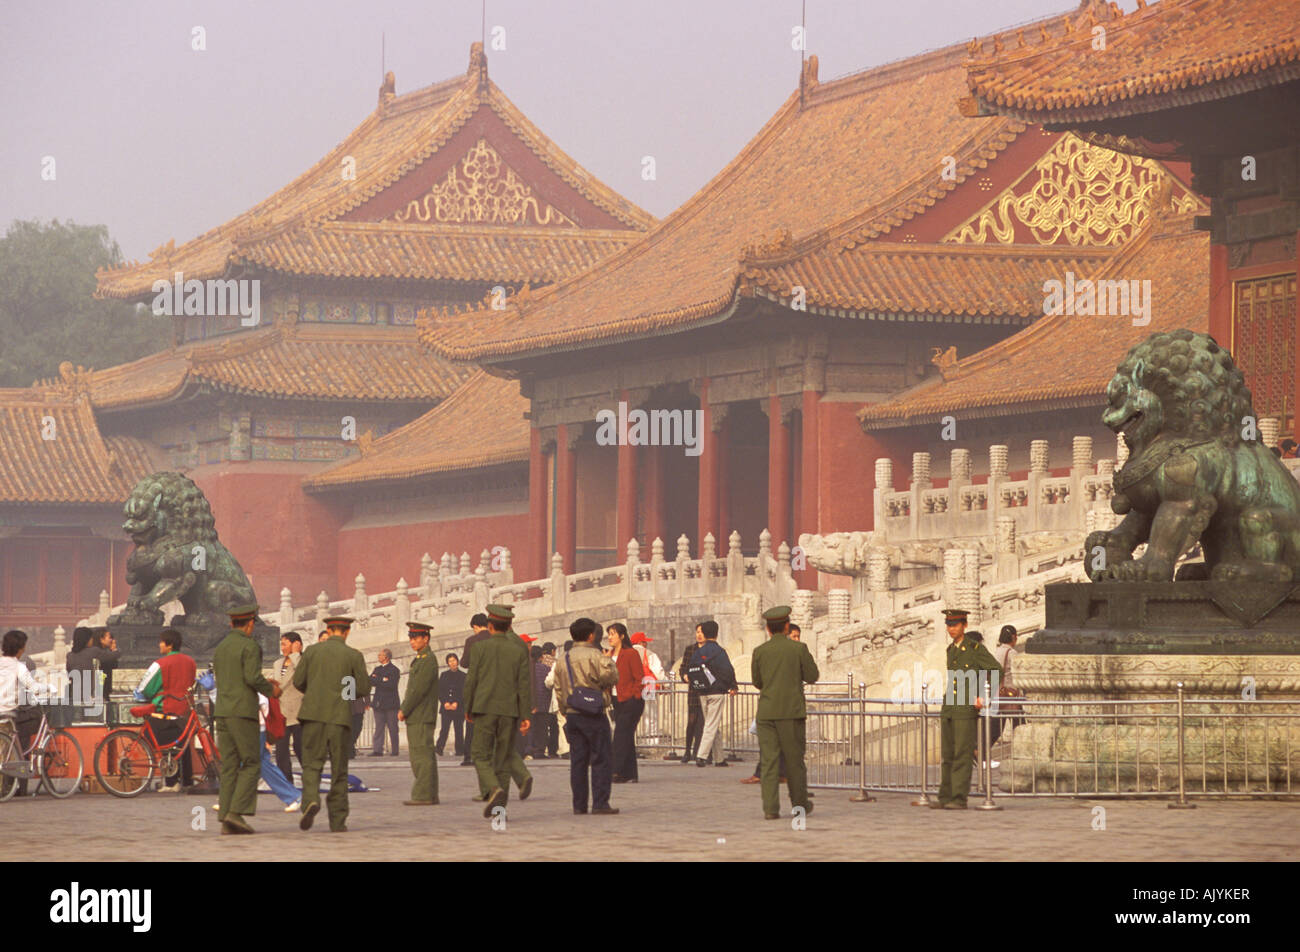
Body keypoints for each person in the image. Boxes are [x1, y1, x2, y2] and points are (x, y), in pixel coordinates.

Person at [294, 615, 371, 832]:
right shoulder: (352, 655)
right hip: (339, 718)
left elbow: (299, 681)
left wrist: (317, 693)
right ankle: (337, 821)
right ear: (346, 632)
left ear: (328, 630)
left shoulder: (312, 652)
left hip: (312, 716)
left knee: (311, 764)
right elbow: (363, 688)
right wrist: (344, 692)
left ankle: (310, 799)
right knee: (339, 769)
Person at [212, 604, 281, 834]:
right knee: (252, 762)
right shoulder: (249, 646)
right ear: (250, 623)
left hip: (222, 711)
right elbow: (252, 677)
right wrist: (271, 690)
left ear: (232, 623)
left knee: (229, 766)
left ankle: (225, 818)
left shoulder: (221, 647)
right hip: (242, 712)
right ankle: (236, 812)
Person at [751, 606, 820, 819]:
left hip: (766, 713)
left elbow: (757, 682)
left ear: (768, 629)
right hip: (791, 712)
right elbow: (812, 675)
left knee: (769, 762)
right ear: (787, 626)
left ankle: (770, 809)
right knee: (794, 762)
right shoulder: (799, 649)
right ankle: (799, 804)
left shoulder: (760, 651)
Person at [463, 604, 531, 819]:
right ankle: (500, 812)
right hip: (509, 711)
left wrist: (468, 707)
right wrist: (525, 715)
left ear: (489, 626)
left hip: (484, 709)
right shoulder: (518, 649)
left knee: (480, 755)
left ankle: (494, 789)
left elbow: (471, 681)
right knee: (502, 758)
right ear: (509, 625)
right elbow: (524, 684)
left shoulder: (479, 648)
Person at [930, 608, 1002, 810]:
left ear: (964, 625)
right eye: (949, 625)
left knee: (962, 754)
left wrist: (983, 696)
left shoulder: (974, 649)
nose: (951, 629)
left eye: (955, 625)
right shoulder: (951, 649)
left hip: (966, 707)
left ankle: (959, 798)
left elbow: (996, 670)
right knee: (948, 754)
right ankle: (945, 796)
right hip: (950, 707)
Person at [552, 617, 620, 815]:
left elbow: (558, 687)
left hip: (572, 713)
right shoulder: (596, 655)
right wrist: (608, 660)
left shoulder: (563, 658)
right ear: (591, 635)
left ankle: (579, 805)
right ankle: (600, 802)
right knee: (601, 757)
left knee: (578, 760)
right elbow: (611, 676)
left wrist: (565, 709)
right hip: (593, 712)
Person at [133, 628, 197, 790]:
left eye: (161, 642)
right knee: (183, 744)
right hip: (185, 708)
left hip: (166, 708)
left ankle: (171, 782)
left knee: (165, 745)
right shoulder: (190, 662)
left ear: (169, 645)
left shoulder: (160, 664)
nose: (159, 645)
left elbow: (146, 688)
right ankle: (187, 780)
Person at [743, 621, 802, 785]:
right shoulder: (774, 653)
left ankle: (773, 773)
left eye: (798, 637)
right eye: (793, 636)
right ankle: (767, 773)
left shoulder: (797, 654)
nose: (796, 640)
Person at [398, 621, 439, 806]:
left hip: (420, 714)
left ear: (426, 638)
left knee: (421, 756)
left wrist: (404, 709)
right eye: (411, 638)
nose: (412, 641)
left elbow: (418, 690)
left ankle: (423, 794)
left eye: (416, 638)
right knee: (425, 754)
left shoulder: (427, 660)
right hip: (419, 714)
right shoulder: (422, 659)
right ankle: (430, 793)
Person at [691, 620, 736, 767]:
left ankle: (719, 758)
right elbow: (728, 670)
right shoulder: (719, 651)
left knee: (712, 724)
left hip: (702, 691)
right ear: (717, 633)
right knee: (711, 724)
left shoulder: (698, 652)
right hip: (716, 691)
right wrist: (731, 686)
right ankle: (701, 756)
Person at [608, 623, 645, 783]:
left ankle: (617, 771)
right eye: (608, 634)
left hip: (631, 700)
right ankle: (631, 774)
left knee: (620, 735)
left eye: (613, 634)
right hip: (617, 700)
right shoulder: (609, 656)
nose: (610, 637)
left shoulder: (630, 653)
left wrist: (634, 694)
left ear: (622, 636)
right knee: (627, 736)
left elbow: (639, 678)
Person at [64, 626, 120, 717]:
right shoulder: (93, 652)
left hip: (74, 695)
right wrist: (114, 649)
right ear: (86, 639)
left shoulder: (70, 655)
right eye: (90, 638)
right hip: (91, 695)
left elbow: (69, 673)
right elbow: (113, 656)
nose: (92, 641)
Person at [258, 693, 300, 811]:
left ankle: (292, 795)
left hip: (256, 723)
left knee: (258, 762)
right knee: (257, 762)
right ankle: (292, 795)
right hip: (247, 723)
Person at [459, 613, 491, 766]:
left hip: (476, 687)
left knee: (471, 722)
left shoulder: (471, 641)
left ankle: (468, 756)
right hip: (492, 687)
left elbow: (464, 663)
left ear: (476, 626)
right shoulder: (495, 639)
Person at [273, 632, 304, 782]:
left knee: (301, 749)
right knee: (281, 751)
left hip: (298, 712)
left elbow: (304, 676)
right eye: (281, 644)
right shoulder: (277, 663)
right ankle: (286, 779)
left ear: (296, 644)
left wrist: (296, 655)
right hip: (281, 712)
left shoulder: (303, 661)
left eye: (285, 644)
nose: (282, 647)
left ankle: (311, 776)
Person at [677, 627, 706, 763]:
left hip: (707, 690)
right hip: (694, 690)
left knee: (704, 722)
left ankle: (701, 752)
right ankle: (687, 750)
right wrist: (685, 676)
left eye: (702, 632)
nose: (699, 635)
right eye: (697, 632)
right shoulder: (690, 649)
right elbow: (683, 667)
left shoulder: (710, 650)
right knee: (692, 720)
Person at [631, 632, 665, 737]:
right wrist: (667, 684)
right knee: (651, 714)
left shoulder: (626, 653)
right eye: (645, 642)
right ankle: (651, 739)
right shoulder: (649, 653)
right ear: (641, 642)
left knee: (632, 715)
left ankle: (634, 740)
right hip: (648, 686)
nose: (647, 644)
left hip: (632, 688)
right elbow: (658, 671)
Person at [370, 648, 401, 756]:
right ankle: (377, 749)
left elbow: (391, 685)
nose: (379, 656)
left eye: (380, 655)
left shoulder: (394, 670)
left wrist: (378, 679)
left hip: (390, 703)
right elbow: (371, 681)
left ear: (386, 657)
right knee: (379, 727)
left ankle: (395, 749)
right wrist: (382, 679)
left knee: (393, 727)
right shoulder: (377, 669)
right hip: (379, 702)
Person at [436, 653, 466, 756]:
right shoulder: (444, 675)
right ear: (447, 663)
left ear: (457, 661)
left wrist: (456, 702)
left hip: (458, 707)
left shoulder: (463, 676)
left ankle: (460, 749)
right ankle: (439, 748)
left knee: (459, 729)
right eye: (450, 661)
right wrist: (445, 702)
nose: (452, 663)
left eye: (454, 660)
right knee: (444, 728)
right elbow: (440, 691)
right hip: (446, 706)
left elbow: (464, 692)